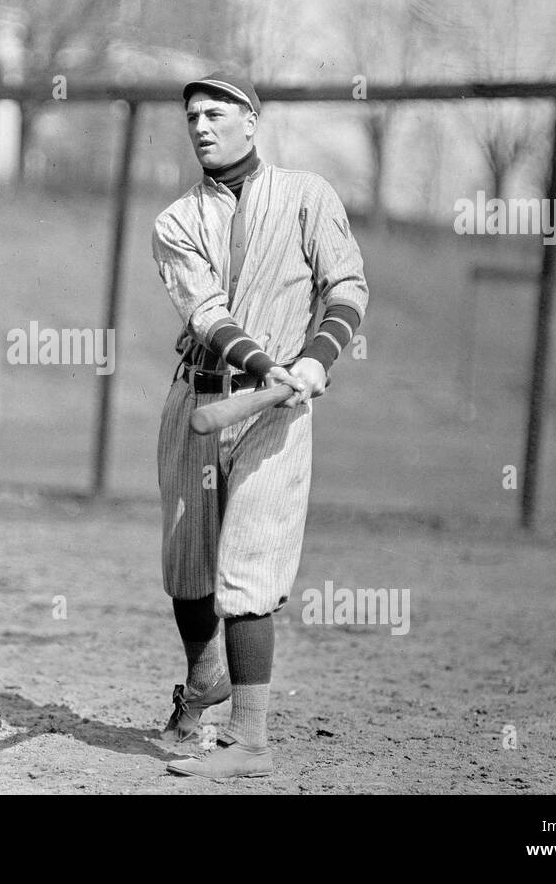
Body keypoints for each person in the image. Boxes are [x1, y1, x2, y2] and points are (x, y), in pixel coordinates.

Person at [152, 70, 369, 779]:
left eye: (216, 113)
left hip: (277, 412)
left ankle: (249, 741)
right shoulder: (176, 221)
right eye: (193, 117)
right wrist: (261, 358)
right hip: (200, 399)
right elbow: (207, 312)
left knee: (247, 568)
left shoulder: (309, 196)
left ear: (252, 119)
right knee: (188, 569)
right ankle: (204, 671)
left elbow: (346, 288)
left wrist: (313, 358)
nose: (202, 127)